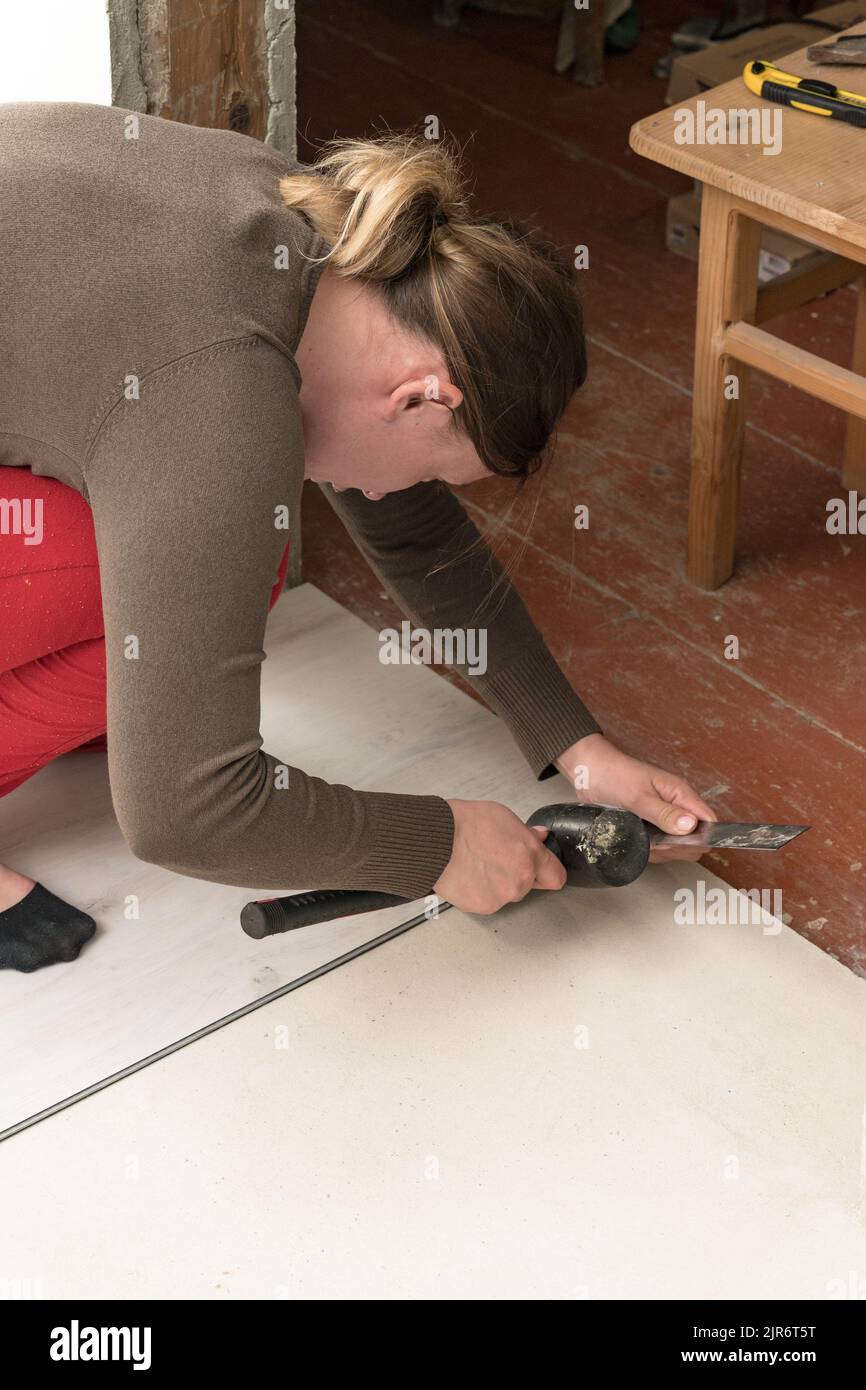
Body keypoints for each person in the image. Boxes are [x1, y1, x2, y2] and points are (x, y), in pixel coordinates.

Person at [0, 105, 714, 972]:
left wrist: (577, 745)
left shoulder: (314, 240)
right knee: (149, 560)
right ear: (422, 396)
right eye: (428, 473)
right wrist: (438, 844)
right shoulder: (218, 392)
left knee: (194, 566)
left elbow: (413, 540)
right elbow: (186, 814)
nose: (388, 493)